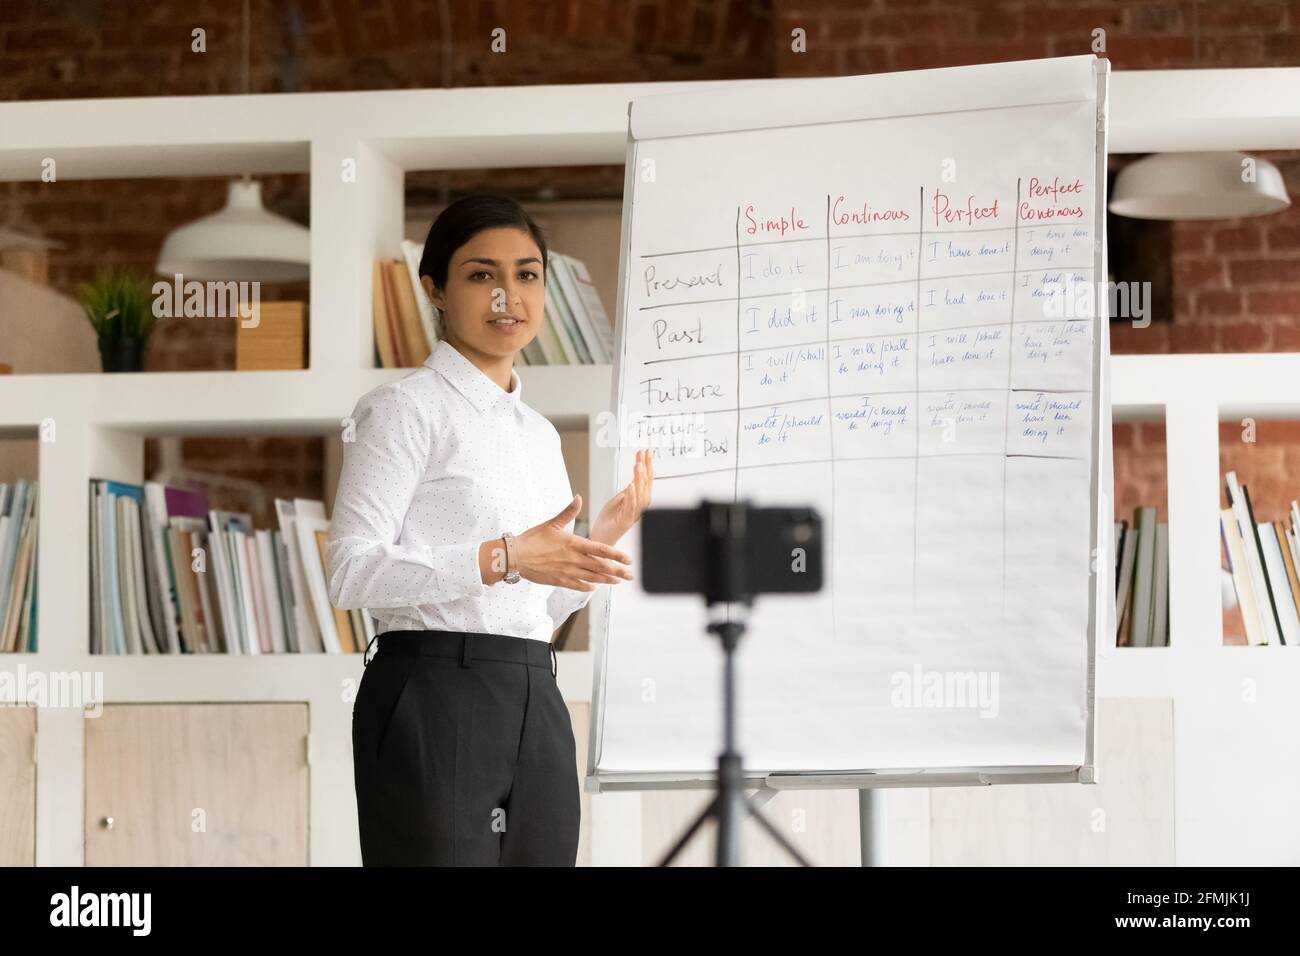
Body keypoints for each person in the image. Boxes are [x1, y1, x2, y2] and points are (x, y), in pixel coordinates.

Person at [326, 192, 653, 865]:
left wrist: (598, 543)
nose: (509, 295)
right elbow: (350, 571)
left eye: (526, 274)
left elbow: (536, 608)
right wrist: (503, 556)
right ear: (436, 291)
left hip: (533, 686)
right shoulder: (402, 410)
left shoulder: (538, 434)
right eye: (482, 275)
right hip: (433, 691)